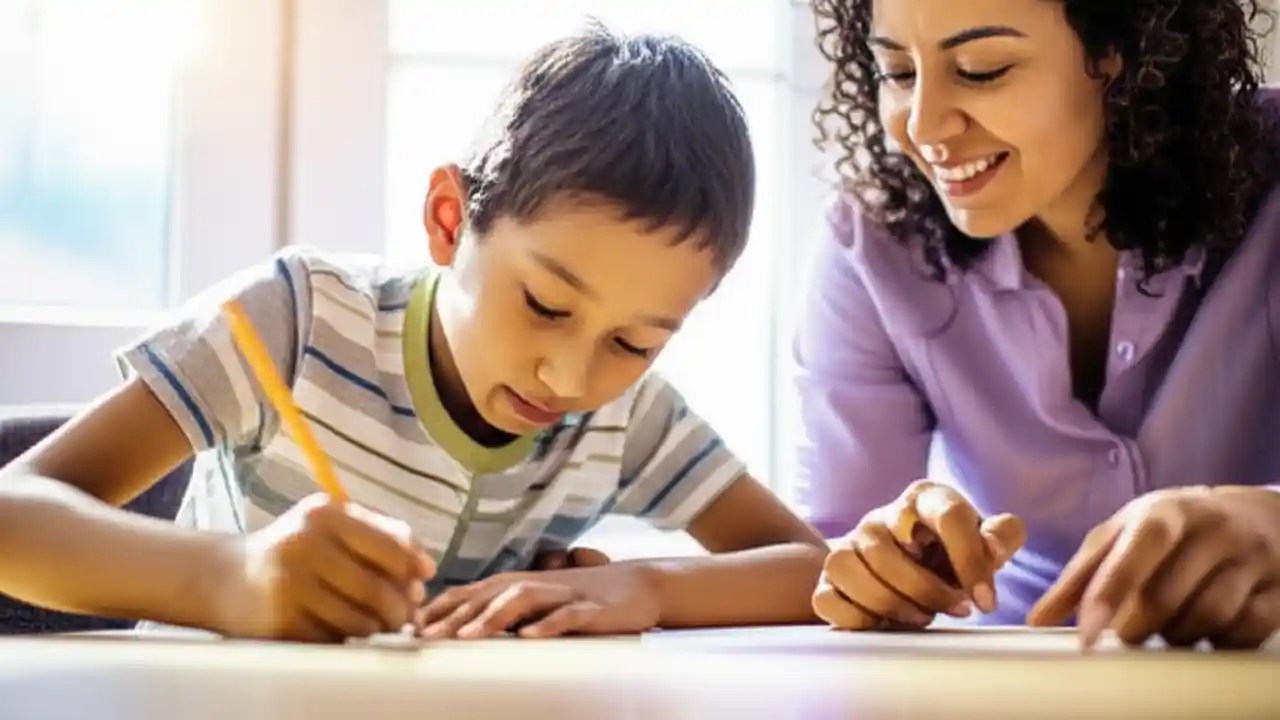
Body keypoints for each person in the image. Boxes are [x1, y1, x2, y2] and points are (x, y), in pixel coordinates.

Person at [0, 25, 826, 643]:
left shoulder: (629, 418)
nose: (572, 380)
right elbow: (13, 514)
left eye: (635, 344)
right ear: (449, 219)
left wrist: (647, 589)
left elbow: (816, 572)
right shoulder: (299, 321)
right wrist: (232, 580)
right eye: (545, 304)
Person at [800, 0, 1280, 648]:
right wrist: (881, 562)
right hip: (1018, 673)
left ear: (1119, 48)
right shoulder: (874, 244)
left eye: (981, 69)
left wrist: (1270, 520)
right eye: (899, 73)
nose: (923, 126)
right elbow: (834, 545)